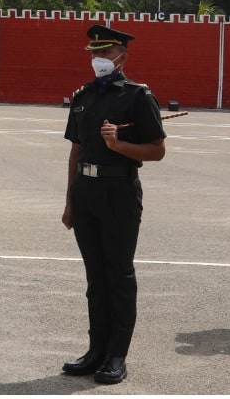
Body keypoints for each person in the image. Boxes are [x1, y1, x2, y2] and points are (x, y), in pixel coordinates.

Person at [60, 24, 166, 385]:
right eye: (94, 53)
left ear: (123, 54)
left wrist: (120, 146)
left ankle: (117, 355)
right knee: (95, 277)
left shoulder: (138, 96)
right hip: (86, 192)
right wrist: (70, 199)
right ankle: (96, 350)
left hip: (119, 191)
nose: (98, 59)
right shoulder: (83, 95)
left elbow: (157, 150)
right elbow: (75, 149)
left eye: (105, 53)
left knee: (118, 274)